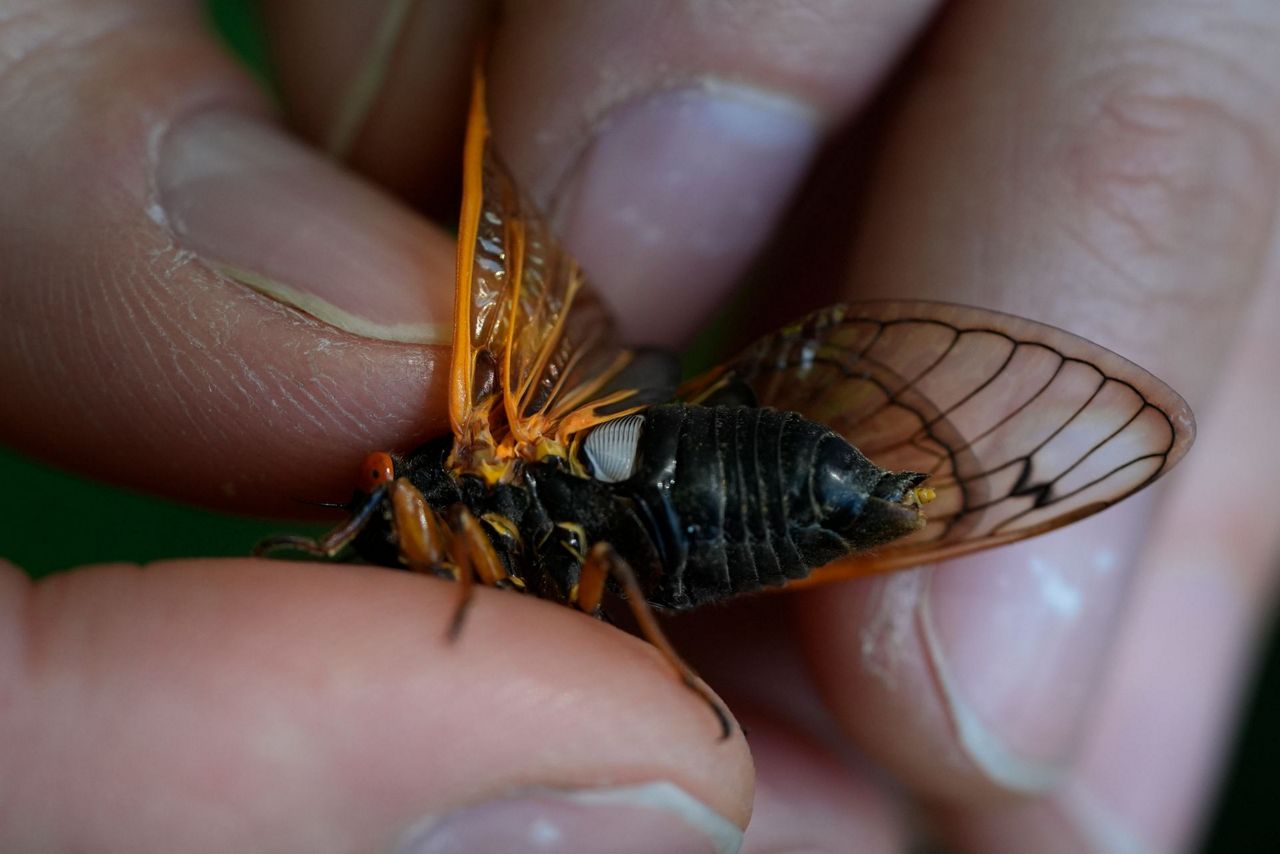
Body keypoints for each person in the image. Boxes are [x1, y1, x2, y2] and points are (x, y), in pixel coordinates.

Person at [1, 2, 1276, 851]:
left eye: (402, 508)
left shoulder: (487, 495)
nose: (399, 518)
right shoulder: (487, 522)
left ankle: (871, 505)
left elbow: (581, 564)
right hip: (685, 495)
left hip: (718, 500)